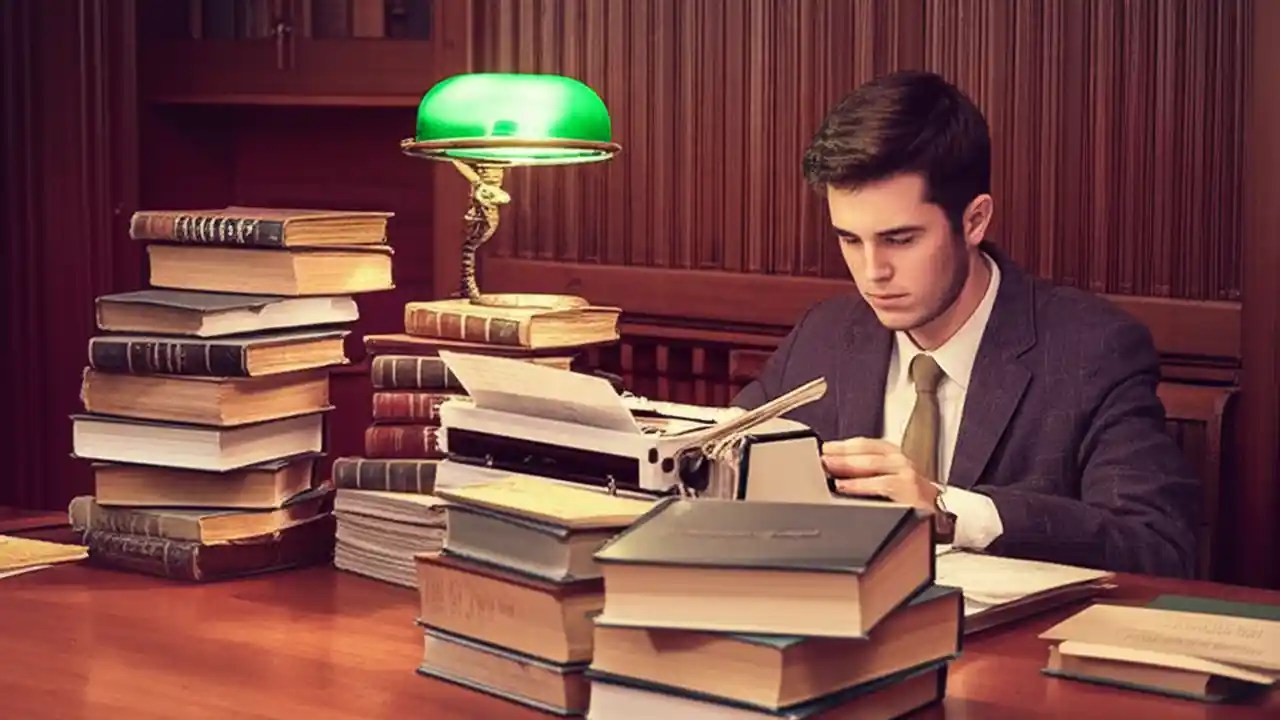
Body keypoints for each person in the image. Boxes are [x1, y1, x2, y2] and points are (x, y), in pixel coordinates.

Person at [731, 71, 1199, 578]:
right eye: (849, 240)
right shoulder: (823, 335)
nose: (872, 272)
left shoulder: (1093, 350)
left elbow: (1157, 546)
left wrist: (953, 514)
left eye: (901, 239)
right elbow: (720, 459)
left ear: (974, 221)